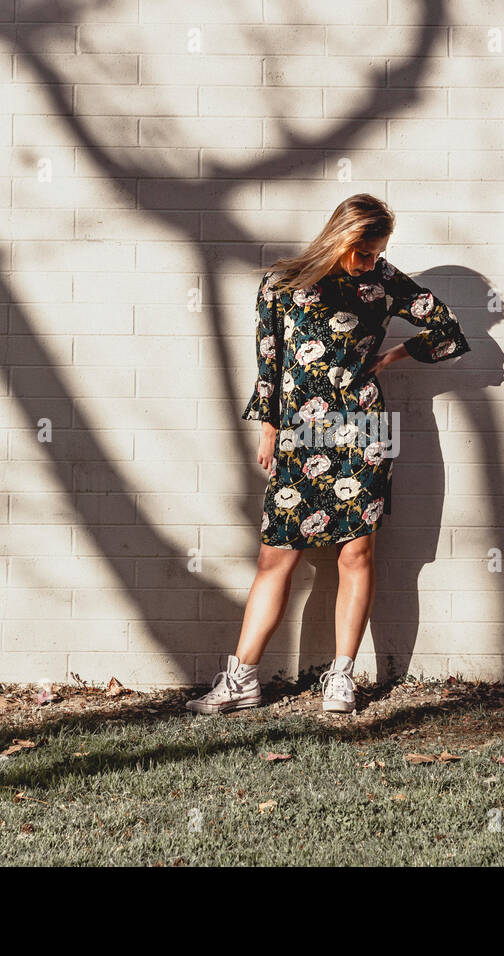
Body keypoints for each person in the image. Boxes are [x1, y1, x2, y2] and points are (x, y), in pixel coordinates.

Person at [187, 194, 471, 715]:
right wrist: (269, 428)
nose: (368, 261)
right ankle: (241, 679)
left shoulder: (385, 281)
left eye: (377, 252)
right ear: (339, 236)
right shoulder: (281, 285)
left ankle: (341, 677)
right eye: (361, 251)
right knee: (277, 556)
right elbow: (267, 360)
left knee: (356, 554)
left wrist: (396, 354)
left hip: (363, 429)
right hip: (299, 432)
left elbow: (448, 332)